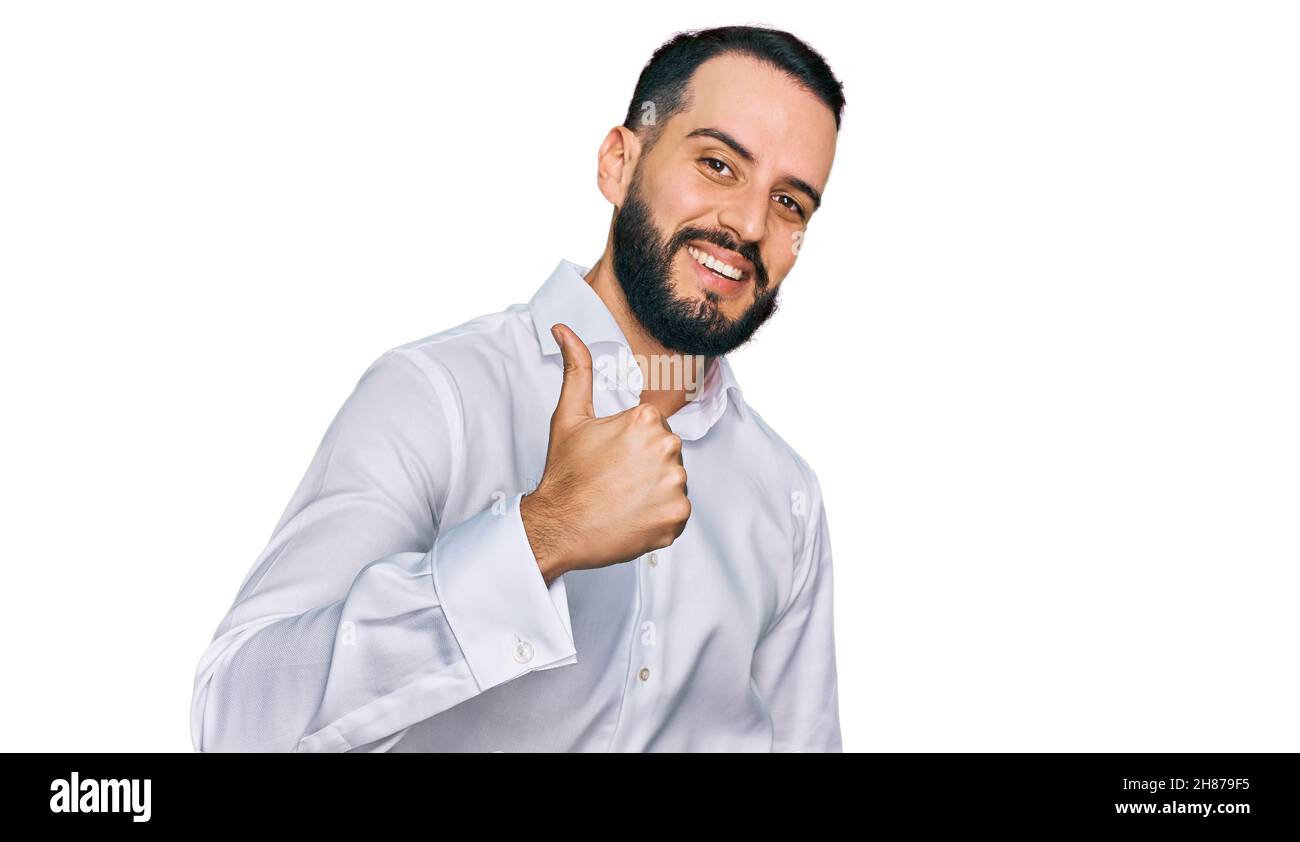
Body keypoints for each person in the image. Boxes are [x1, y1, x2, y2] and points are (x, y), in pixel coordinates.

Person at [190, 24, 845, 752]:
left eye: (790, 203)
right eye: (719, 164)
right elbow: (234, 722)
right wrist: (540, 536)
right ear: (618, 164)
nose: (749, 223)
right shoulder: (437, 398)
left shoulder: (786, 495)